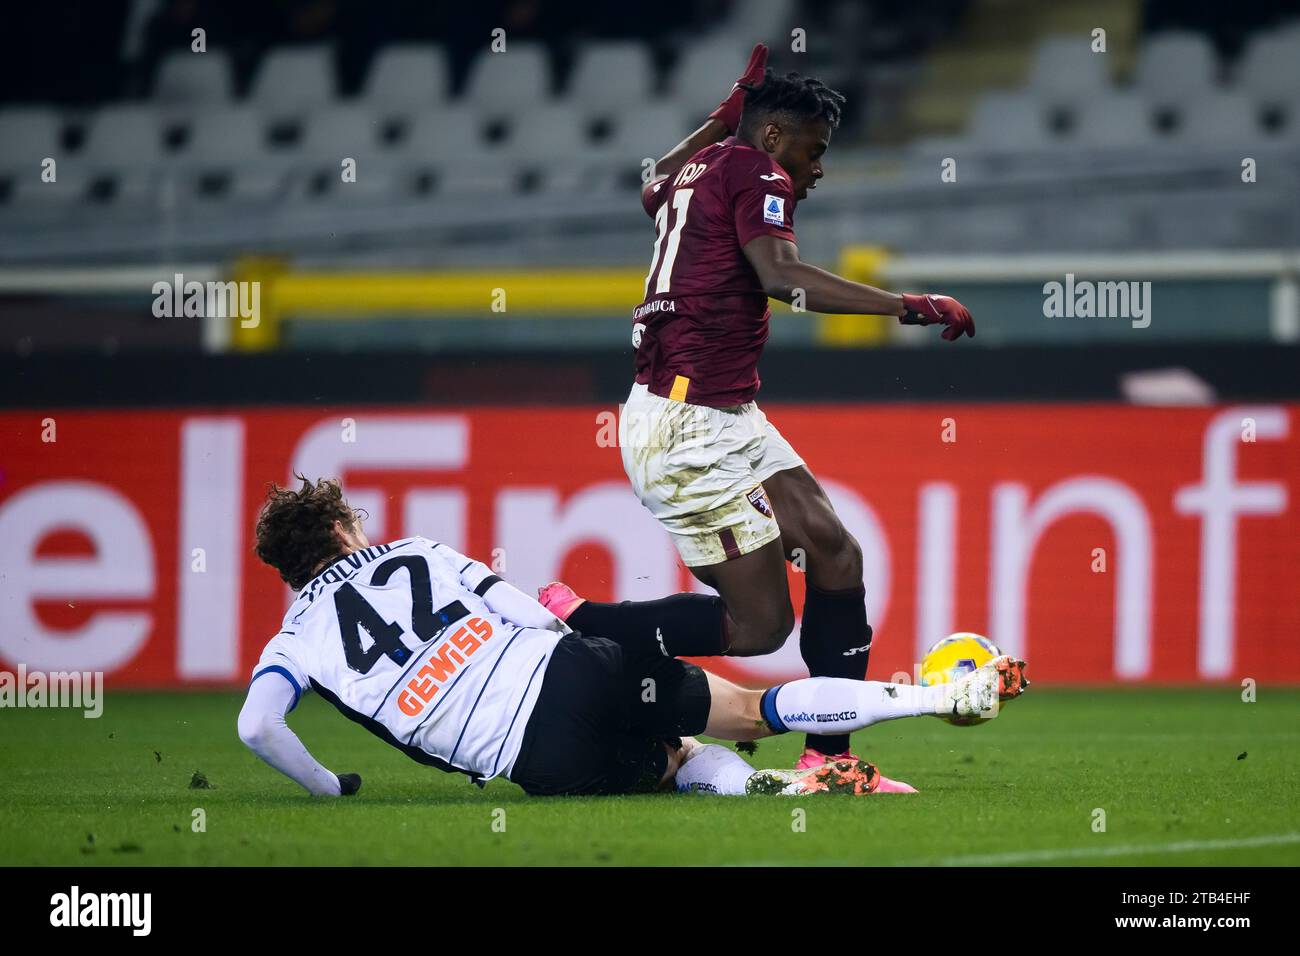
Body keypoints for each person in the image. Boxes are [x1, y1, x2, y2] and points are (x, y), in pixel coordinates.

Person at [538, 43, 977, 790]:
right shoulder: (757, 169)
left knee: (837, 552)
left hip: (726, 412)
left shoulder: (702, 168)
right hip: (686, 429)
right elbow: (780, 277)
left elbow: (650, 185)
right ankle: (585, 623)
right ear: (774, 138)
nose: (818, 168)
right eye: (815, 149)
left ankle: (828, 760)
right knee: (761, 628)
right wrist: (908, 304)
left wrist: (720, 116)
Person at [237, 477, 1027, 798]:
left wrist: (328, 786)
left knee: (675, 764)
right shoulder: (411, 552)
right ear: (342, 527)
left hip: (534, 759)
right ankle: (938, 693)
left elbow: (258, 725)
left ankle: (780, 790)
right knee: (752, 710)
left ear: (286, 570)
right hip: (571, 670)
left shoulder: (292, 640)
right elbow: (533, 617)